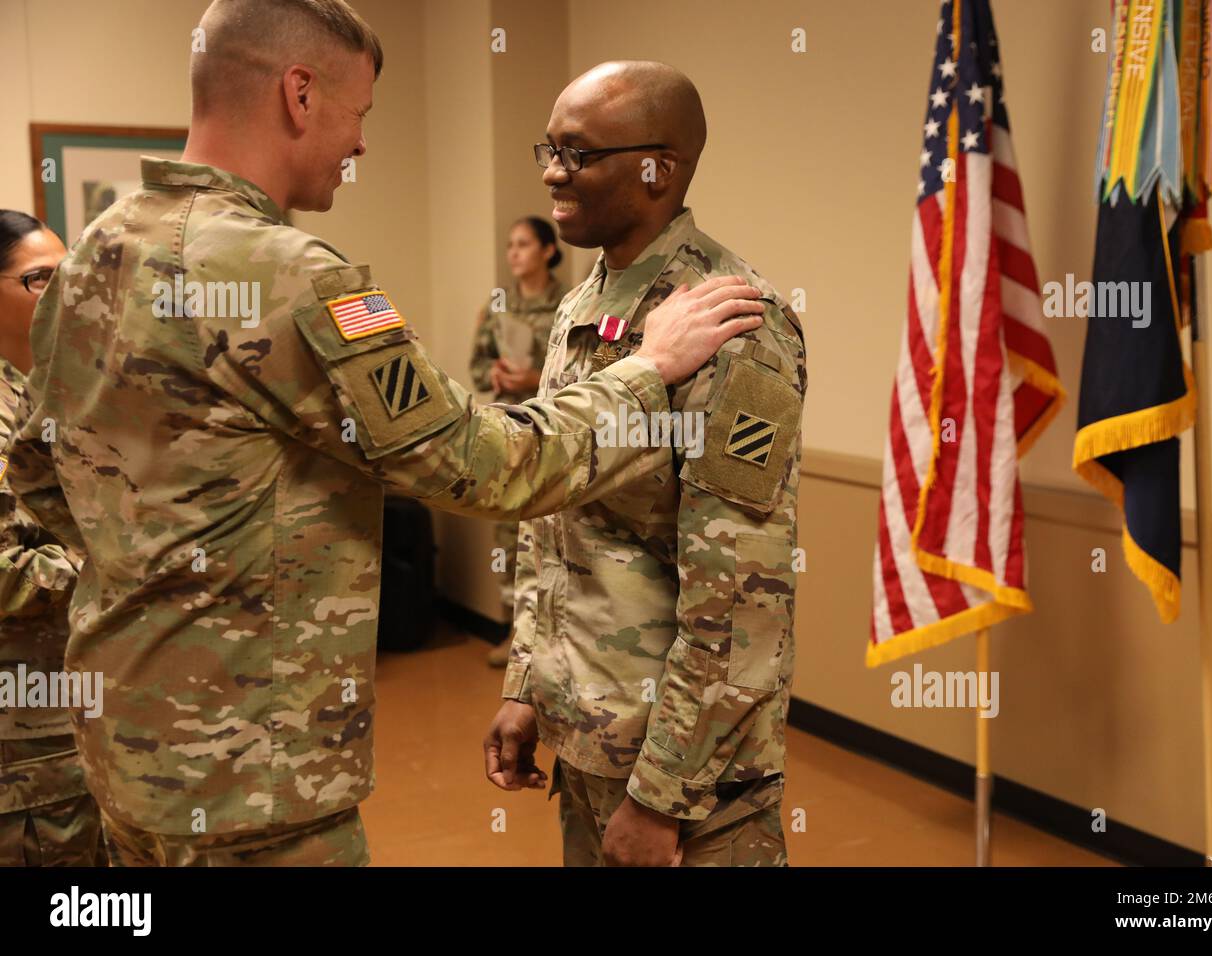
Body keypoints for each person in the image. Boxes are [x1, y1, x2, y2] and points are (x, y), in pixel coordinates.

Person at [6, 0, 764, 867]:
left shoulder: (94, 253)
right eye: (358, 114)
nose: (360, 145)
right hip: (255, 778)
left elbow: (39, 470)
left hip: (121, 750)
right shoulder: (293, 276)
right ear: (300, 94)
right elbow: (488, 469)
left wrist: (155, 576)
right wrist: (646, 369)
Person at [483, 61, 807, 867]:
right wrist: (527, 685)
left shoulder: (734, 327)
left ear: (659, 168)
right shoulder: (584, 303)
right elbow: (553, 521)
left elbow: (738, 602)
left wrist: (661, 795)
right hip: (588, 740)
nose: (554, 172)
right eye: (549, 149)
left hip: (687, 787)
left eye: (579, 152)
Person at [0, 211, 105, 866]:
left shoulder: (47, 391)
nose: (64, 293)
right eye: (40, 280)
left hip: (73, 730)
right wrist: (119, 559)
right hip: (25, 766)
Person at [468, 217, 567, 667]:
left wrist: (535, 379)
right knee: (509, 534)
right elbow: (476, 365)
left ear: (547, 250)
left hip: (553, 431)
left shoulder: (568, 303)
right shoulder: (497, 305)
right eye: (510, 244)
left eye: (523, 244)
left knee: (557, 533)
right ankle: (514, 631)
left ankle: (555, 636)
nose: (514, 253)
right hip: (507, 427)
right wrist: (494, 374)